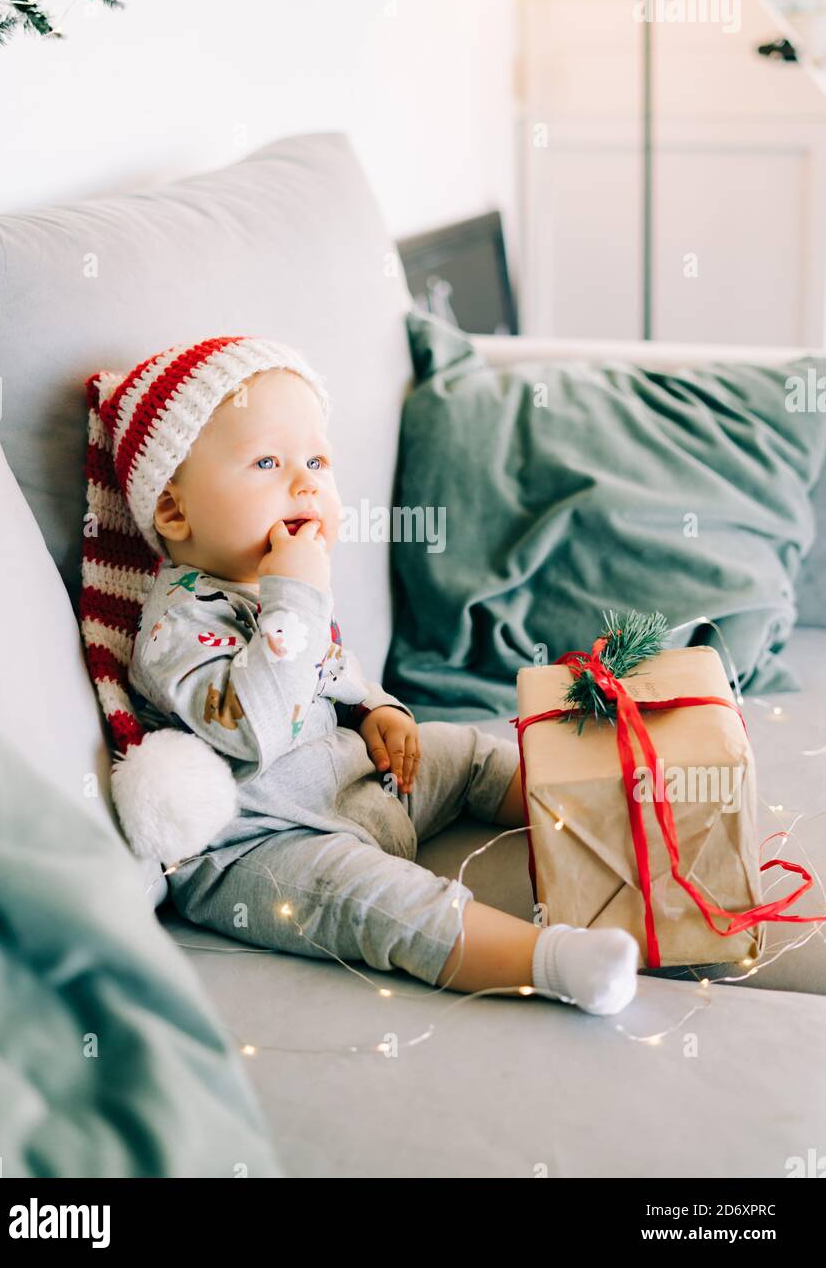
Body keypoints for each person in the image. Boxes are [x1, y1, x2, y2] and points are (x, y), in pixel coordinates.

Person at [79, 335, 639, 1016]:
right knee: (382, 905)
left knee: (459, 753)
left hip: (350, 783)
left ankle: (603, 810)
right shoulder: (174, 631)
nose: (306, 482)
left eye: (316, 460)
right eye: (267, 462)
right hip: (265, 843)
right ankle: (552, 961)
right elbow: (258, 726)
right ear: (174, 512)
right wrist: (297, 600)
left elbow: (333, 669)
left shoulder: (273, 584)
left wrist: (379, 712)